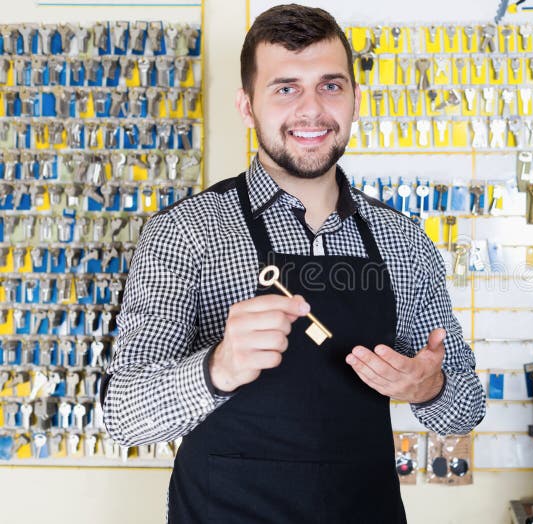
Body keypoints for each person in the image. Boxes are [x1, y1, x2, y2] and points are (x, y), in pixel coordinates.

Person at [102, 4, 486, 523]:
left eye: (330, 86)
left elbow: (467, 408)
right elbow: (125, 414)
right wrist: (217, 368)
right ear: (246, 106)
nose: (312, 110)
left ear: (354, 98)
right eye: (285, 88)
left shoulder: (403, 240)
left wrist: (428, 387)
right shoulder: (186, 232)